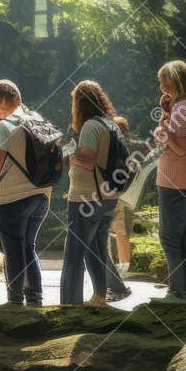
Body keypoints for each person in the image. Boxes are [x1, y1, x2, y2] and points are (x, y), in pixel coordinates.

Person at [0, 79, 56, 306]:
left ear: (2, 101)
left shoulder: (3, 126)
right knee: (28, 246)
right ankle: (35, 297)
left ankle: (14, 301)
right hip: (42, 196)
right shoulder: (39, 120)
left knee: (13, 249)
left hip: (12, 198)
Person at [62, 81, 129, 307]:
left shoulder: (91, 126)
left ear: (79, 104)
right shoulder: (111, 125)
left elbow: (88, 158)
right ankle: (99, 296)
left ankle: (70, 305)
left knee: (73, 255)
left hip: (86, 199)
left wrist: (70, 153)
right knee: (96, 251)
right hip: (108, 198)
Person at [153, 60, 186, 300]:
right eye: (161, 80)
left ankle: (176, 289)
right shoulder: (184, 105)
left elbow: (181, 147)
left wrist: (164, 130)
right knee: (185, 235)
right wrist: (166, 117)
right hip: (184, 180)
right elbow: (170, 138)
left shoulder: (183, 108)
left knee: (169, 237)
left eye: (166, 80)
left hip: (176, 182)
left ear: (178, 80)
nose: (162, 85)